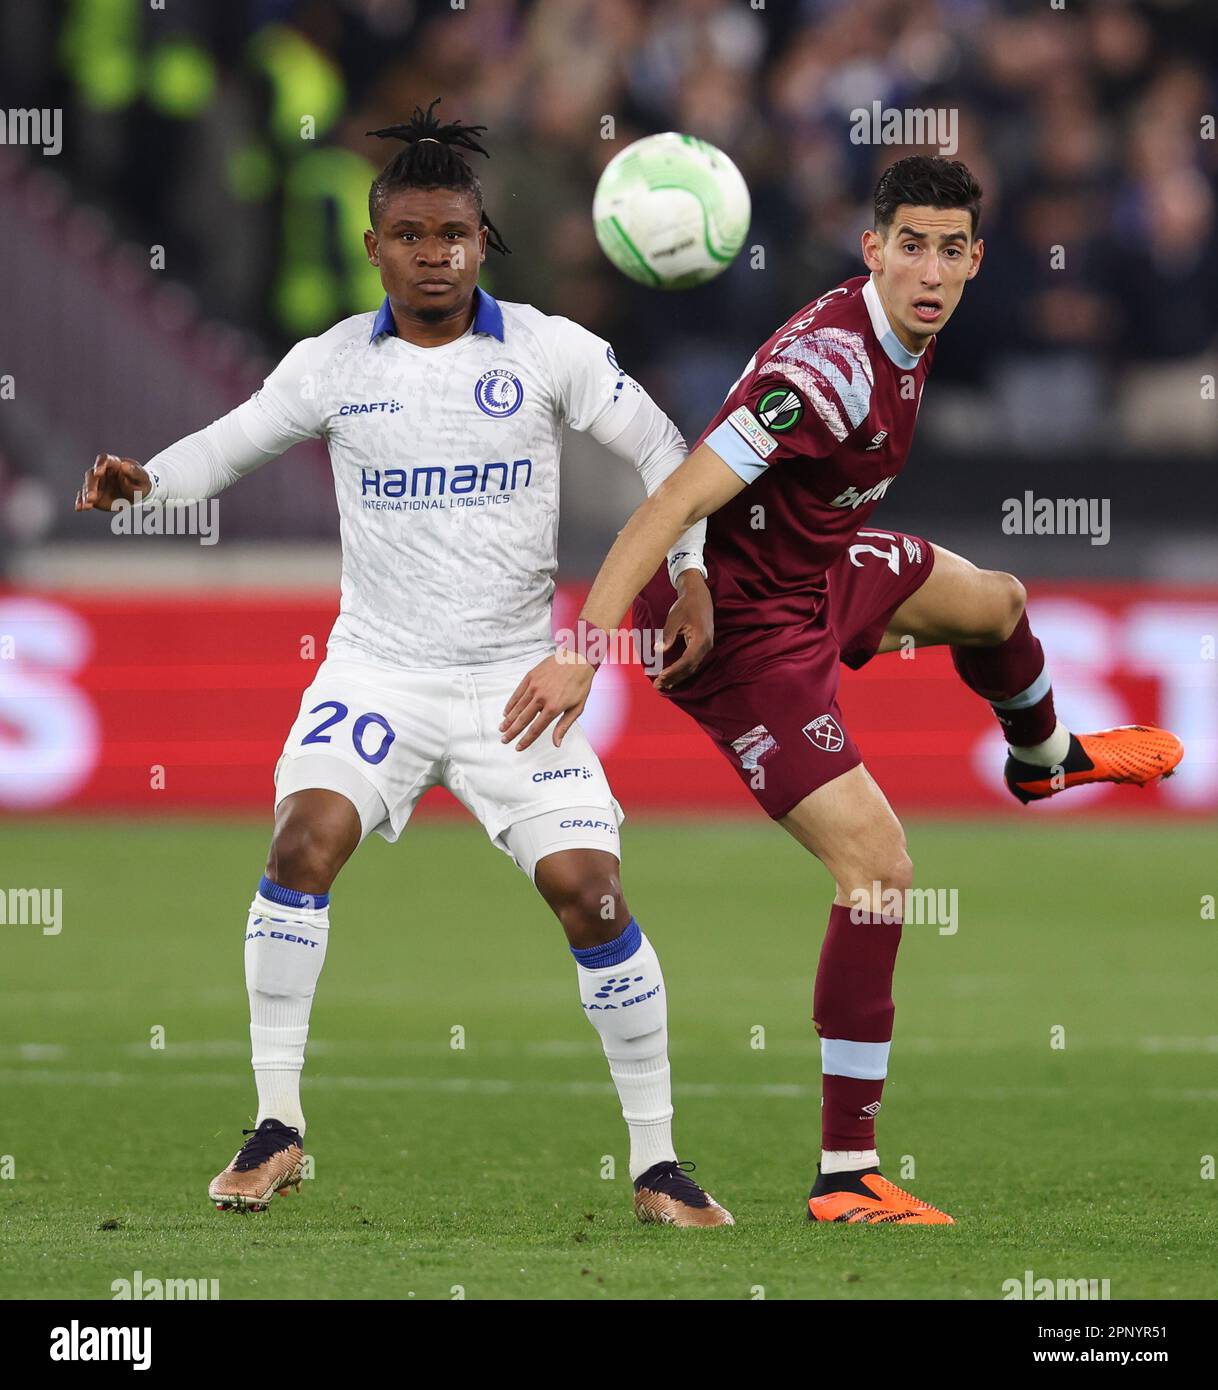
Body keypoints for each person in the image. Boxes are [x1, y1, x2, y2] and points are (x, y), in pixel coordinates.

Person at [75, 100, 732, 1228]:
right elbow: (225, 445)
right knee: (300, 843)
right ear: (376, 245)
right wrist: (150, 485)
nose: (435, 255)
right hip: (375, 673)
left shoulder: (549, 352)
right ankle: (277, 1125)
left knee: (593, 895)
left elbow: (669, 454)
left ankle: (659, 1160)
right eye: (413, 236)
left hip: (516, 685)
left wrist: (693, 568)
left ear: (485, 242)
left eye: (455, 236)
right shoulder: (332, 365)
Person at [500, 155, 1184, 1225]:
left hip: (820, 572)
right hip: (739, 637)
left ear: (974, 261)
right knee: (879, 866)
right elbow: (676, 487)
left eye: (951, 249)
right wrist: (590, 640)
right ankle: (845, 1172)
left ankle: (1043, 761)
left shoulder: (911, 341)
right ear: (873, 249)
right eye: (910, 244)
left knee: (997, 603)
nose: (930, 268)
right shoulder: (825, 372)